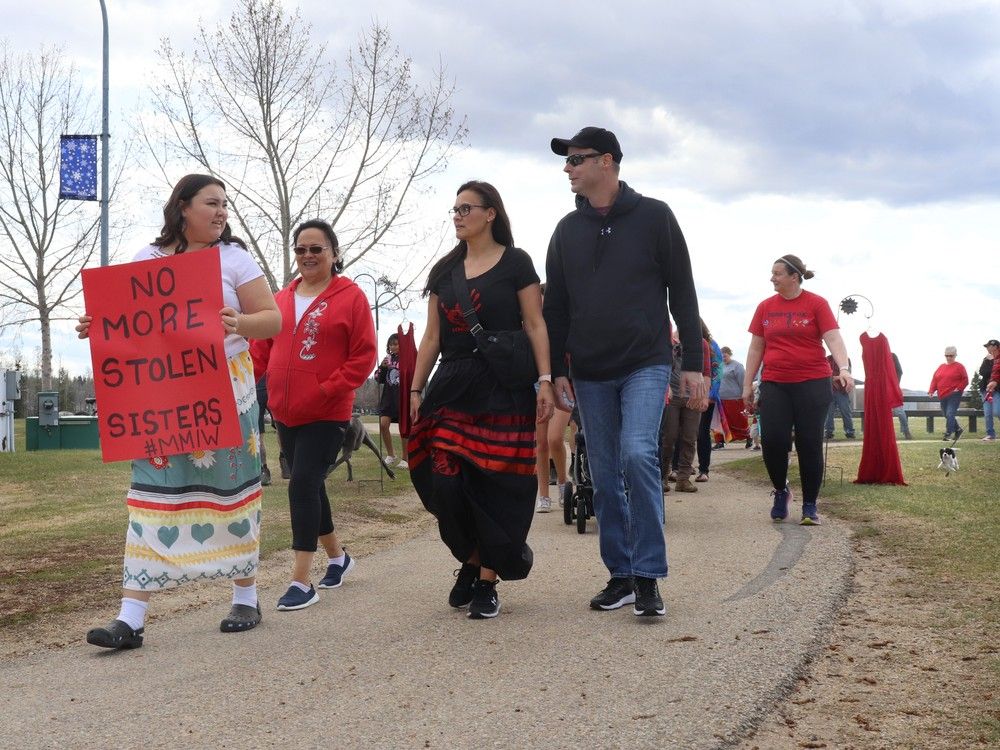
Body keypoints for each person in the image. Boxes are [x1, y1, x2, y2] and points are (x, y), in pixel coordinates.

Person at [77, 174, 282, 649]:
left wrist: (241, 321)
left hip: (226, 390)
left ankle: (246, 596)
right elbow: (127, 322)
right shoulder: (147, 260)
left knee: (234, 488)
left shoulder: (234, 259)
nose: (221, 211)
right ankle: (131, 618)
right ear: (183, 207)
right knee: (152, 491)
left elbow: (271, 318)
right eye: (212, 203)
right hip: (163, 398)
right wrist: (98, 324)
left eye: (225, 204)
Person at [544, 126, 704, 618]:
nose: (567, 169)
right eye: (567, 161)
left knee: (637, 454)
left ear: (607, 162)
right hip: (589, 370)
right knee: (606, 476)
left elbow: (683, 290)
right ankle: (622, 575)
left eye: (576, 159)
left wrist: (694, 364)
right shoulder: (566, 231)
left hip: (645, 363)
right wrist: (555, 371)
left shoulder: (655, 216)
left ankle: (650, 574)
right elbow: (558, 309)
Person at [407, 180, 554, 620]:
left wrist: (544, 380)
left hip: (503, 387)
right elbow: (432, 336)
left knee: (498, 485)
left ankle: (488, 578)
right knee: (446, 483)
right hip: (452, 386)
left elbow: (535, 324)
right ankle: (470, 557)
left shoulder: (516, 263)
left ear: (490, 213)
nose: (457, 215)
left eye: (466, 208)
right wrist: (416, 389)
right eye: (453, 209)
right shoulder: (443, 272)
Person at [251, 219, 376, 612]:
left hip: (327, 412)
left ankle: (301, 580)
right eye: (301, 249)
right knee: (312, 484)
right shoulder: (281, 298)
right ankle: (338, 559)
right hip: (286, 412)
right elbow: (260, 350)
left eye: (316, 248)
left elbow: (364, 356)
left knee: (301, 484)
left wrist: (326, 388)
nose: (308, 255)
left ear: (334, 253)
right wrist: (251, 386)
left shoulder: (351, 297)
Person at [742, 254, 852, 526]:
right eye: (772, 273)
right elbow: (757, 347)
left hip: (813, 383)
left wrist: (844, 368)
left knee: (809, 444)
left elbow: (833, 337)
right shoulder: (765, 307)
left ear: (794, 277)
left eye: (777, 273)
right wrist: (747, 384)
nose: (772, 278)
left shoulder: (816, 303)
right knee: (774, 442)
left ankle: (810, 505)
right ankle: (781, 490)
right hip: (775, 383)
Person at [534, 283, 572, 513]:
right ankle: (543, 495)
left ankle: (563, 483)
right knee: (541, 442)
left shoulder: (562, 322)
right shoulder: (533, 322)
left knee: (555, 438)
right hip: (538, 384)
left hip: (562, 383)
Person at [660, 331, 710, 493]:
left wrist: (704, 396)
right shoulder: (667, 339)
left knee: (689, 438)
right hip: (671, 397)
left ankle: (683, 479)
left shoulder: (701, 344)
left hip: (693, 397)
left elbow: (707, 372)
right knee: (669, 437)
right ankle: (662, 478)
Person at [695, 320, 724, 482]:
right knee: (680, 433)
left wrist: (709, 394)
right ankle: (678, 468)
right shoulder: (682, 343)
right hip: (685, 394)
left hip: (707, 395)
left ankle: (703, 469)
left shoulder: (712, 345)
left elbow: (718, 372)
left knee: (701, 432)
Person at [375, 333, 409, 468]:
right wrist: (383, 368)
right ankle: (391, 454)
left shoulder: (407, 358)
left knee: (404, 429)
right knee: (383, 425)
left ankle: (405, 458)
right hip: (388, 398)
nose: (393, 346)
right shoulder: (387, 359)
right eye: (391, 344)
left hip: (402, 397)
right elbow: (378, 379)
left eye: (395, 344)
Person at [928, 347, 969, 441]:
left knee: (950, 413)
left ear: (955, 355)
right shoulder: (941, 367)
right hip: (942, 395)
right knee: (946, 414)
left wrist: (958, 388)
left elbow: (965, 380)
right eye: (946, 355)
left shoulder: (959, 366)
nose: (948, 357)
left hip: (954, 394)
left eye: (951, 355)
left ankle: (948, 434)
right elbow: (935, 380)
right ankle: (958, 430)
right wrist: (931, 391)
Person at [718, 346, 749, 447]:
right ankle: (720, 441)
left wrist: (744, 395)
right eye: (721, 356)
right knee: (722, 421)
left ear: (729, 354)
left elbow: (742, 382)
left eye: (725, 356)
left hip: (735, 398)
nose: (723, 358)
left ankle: (748, 438)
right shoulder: (719, 366)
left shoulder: (737, 366)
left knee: (740, 420)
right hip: (721, 399)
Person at [824, 355, 857, 440]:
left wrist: (837, 378)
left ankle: (850, 432)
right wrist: (832, 378)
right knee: (829, 414)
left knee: (846, 412)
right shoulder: (827, 359)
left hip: (842, 391)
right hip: (829, 391)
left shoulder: (846, 359)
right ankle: (828, 433)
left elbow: (848, 374)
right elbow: (825, 373)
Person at [977, 340, 998, 442]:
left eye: (988, 346)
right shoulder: (986, 358)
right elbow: (982, 371)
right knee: (988, 413)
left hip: (997, 389)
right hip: (985, 389)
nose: (987, 349)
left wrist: (992, 363)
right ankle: (990, 434)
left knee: (997, 411)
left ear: (994, 346)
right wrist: (988, 361)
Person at [890, 352, 912, 440]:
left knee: (899, 411)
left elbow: (899, 371)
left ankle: (906, 431)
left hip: (893, 388)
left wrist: (895, 383)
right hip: (882, 389)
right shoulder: (877, 357)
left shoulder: (892, 355)